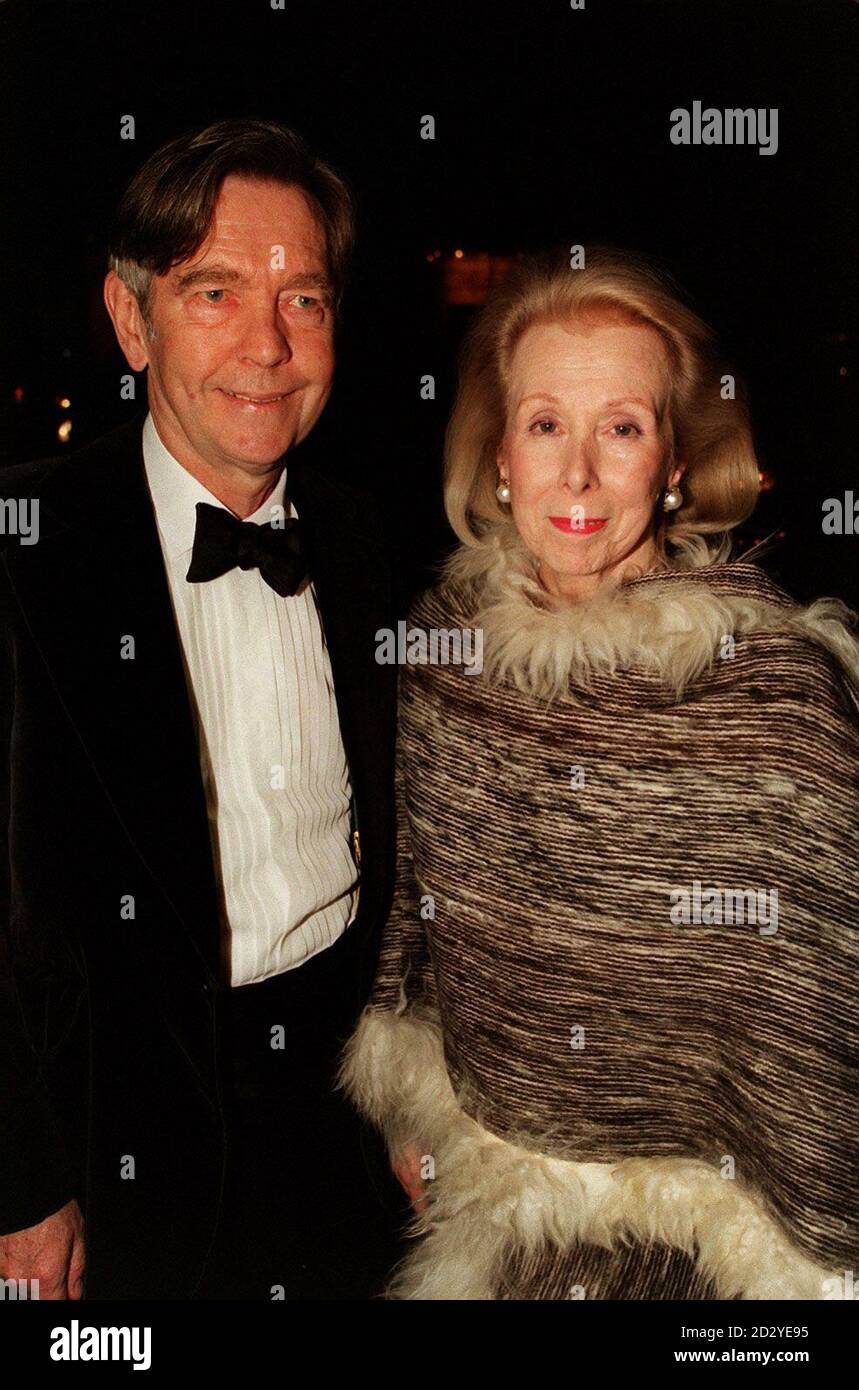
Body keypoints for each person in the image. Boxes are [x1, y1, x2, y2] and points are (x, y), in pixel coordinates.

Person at [339, 246, 859, 1300]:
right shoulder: (445, 653)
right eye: (544, 425)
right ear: (497, 455)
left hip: (712, 1252)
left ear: (673, 461)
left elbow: (820, 1004)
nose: (575, 475)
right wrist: (415, 1099)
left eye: (619, 427)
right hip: (492, 1210)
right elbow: (418, 901)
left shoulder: (777, 695)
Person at [0, 118, 404, 1300]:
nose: (268, 347)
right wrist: (18, 1180)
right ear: (132, 320)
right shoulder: (22, 550)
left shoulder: (364, 537)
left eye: (305, 300)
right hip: (110, 1147)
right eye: (216, 292)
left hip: (344, 1124)